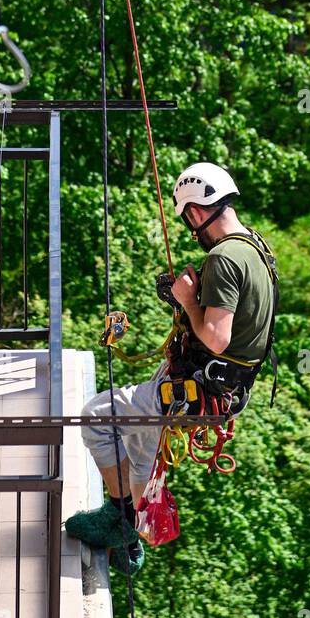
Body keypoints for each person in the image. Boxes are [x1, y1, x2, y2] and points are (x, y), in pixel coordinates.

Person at [65, 161, 279, 577]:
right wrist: (190, 297)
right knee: (142, 439)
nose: (191, 231)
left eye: (188, 221)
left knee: (96, 418)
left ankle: (120, 519)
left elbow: (216, 336)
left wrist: (188, 301)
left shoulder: (224, 259)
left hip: (200, 386)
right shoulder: (255, 246)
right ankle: (134, 524)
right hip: (220, 387)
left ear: (197, 212)